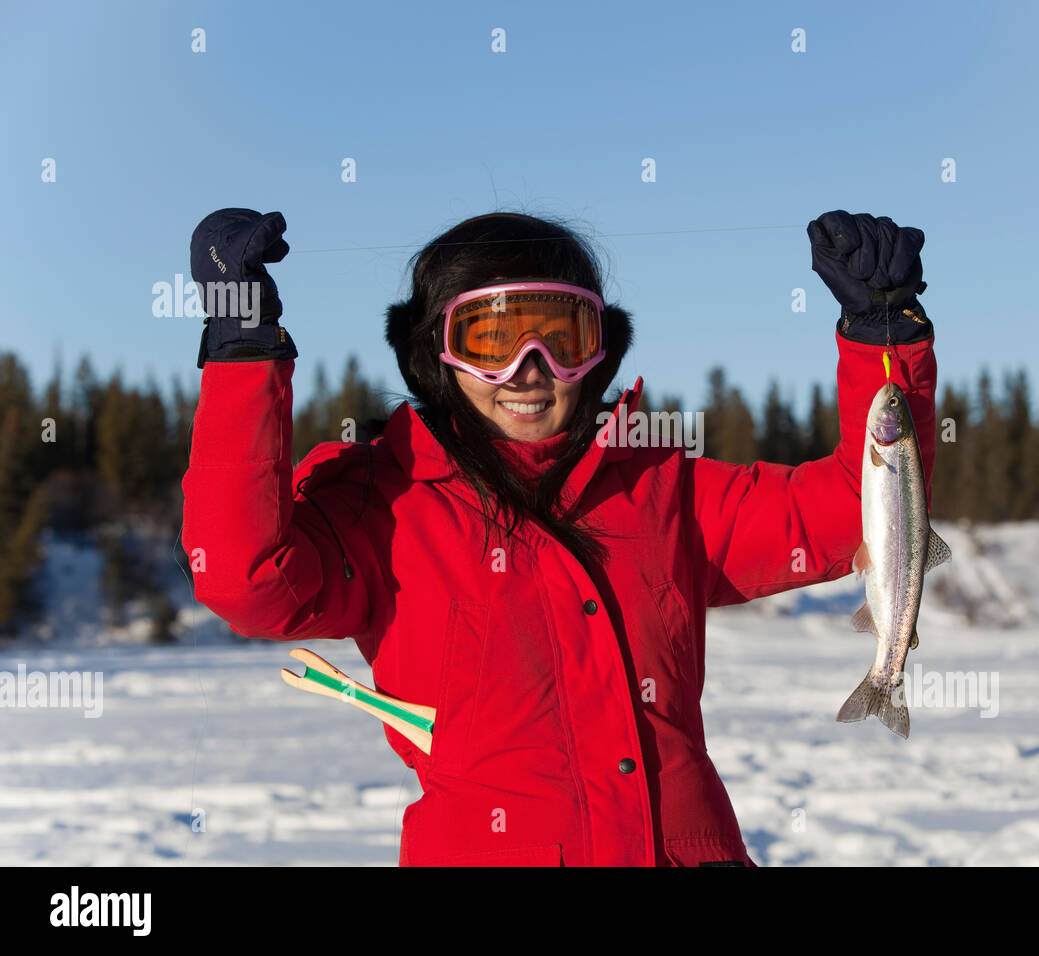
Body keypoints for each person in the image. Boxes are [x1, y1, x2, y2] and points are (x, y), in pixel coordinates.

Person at [181, 208, 938, 866]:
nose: (528, 370)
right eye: (492, 338)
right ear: (436, 353)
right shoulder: (384, 508)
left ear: (599, 347)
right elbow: (247, 579)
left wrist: (884, 340)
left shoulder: (662, 493)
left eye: (560, 335)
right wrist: (244, 350)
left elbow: (854, 512)